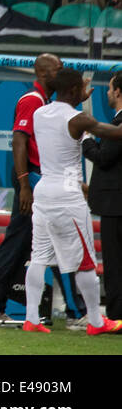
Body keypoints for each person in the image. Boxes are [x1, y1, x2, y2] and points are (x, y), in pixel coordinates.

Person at [23, 67, 122, 335]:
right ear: (72, 91)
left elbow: (66, 116)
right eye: (81, 88)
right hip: (68, 195)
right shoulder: (78, 119)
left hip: (44, 191)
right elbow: (115, 134)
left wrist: (79, 96)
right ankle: (96, 322)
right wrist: (81, 105)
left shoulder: (39, 112)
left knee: (38, 257)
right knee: (86, 261)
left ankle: (31, 318)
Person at [0, 52, 64, 321]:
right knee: (19, 243)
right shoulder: (32, 101)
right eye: (57, 69)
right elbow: (19, 142)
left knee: (25, 244)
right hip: (32, 180)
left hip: (37, 180)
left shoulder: (45, 101)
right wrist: (24, 184)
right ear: (42, 73)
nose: (61, 73)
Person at [83, 71, 122, 320]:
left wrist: (85, 135)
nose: (107, 93)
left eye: (109, 89)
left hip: (115, 206)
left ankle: (117, 315)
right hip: (114, 203)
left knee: (116, 265)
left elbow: (103, 157)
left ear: (118, 91)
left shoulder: (119, 124)